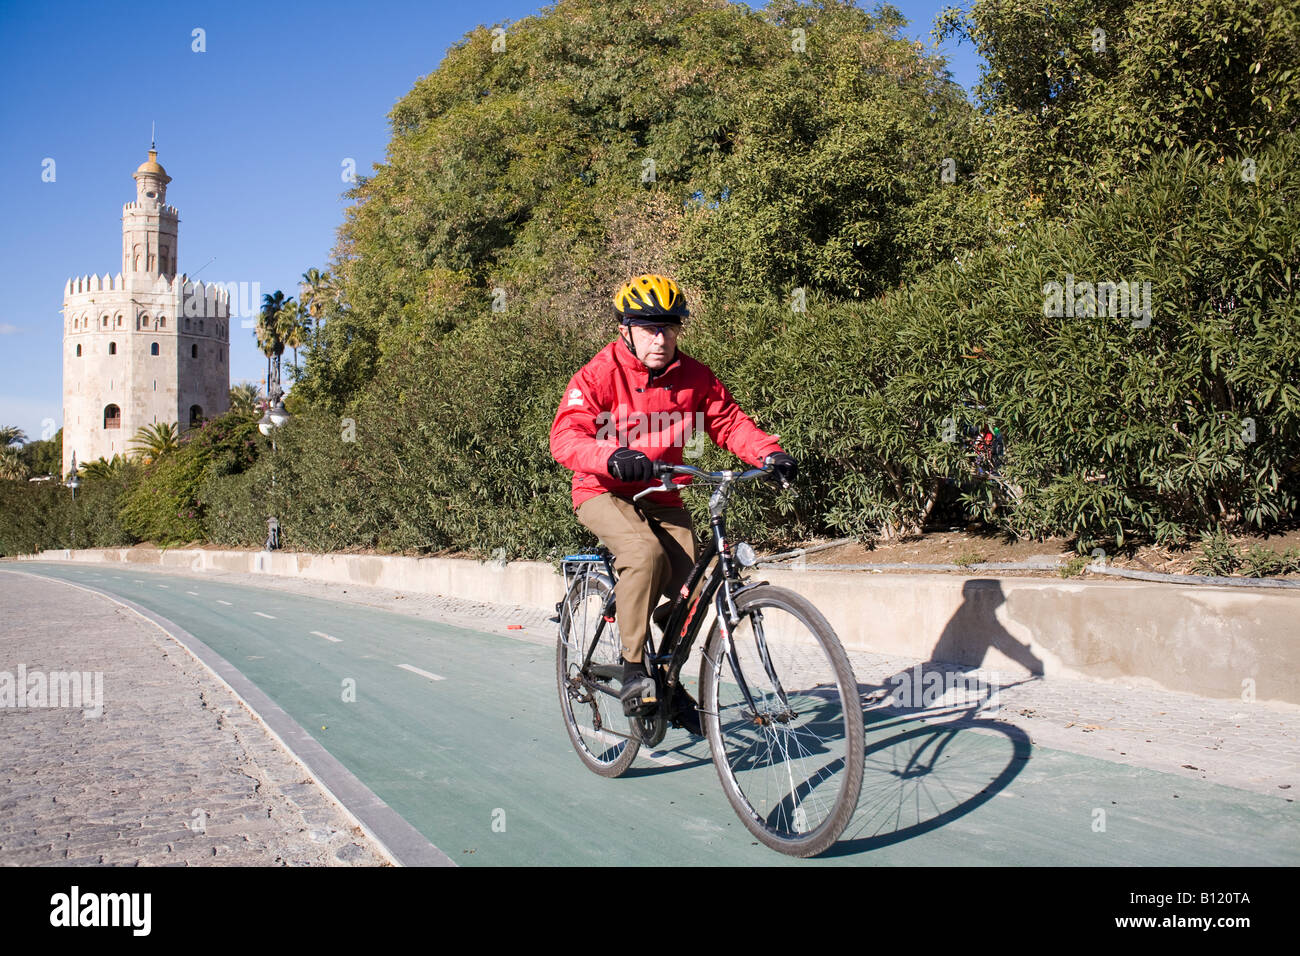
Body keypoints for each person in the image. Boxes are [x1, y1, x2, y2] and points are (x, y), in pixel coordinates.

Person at [549, 274, 797, 735]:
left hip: (663, 493)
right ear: (626, 328)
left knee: (696, 588)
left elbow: (729, 423)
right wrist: (612, 456)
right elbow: (565, 438)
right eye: (648, 327)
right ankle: (635, 670)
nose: (659, 338)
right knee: (644, 555)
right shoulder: (599, 374)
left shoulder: (694, 376)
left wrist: (769, 453)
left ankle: (666, 674)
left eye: (669, 326)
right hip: (603, 490)